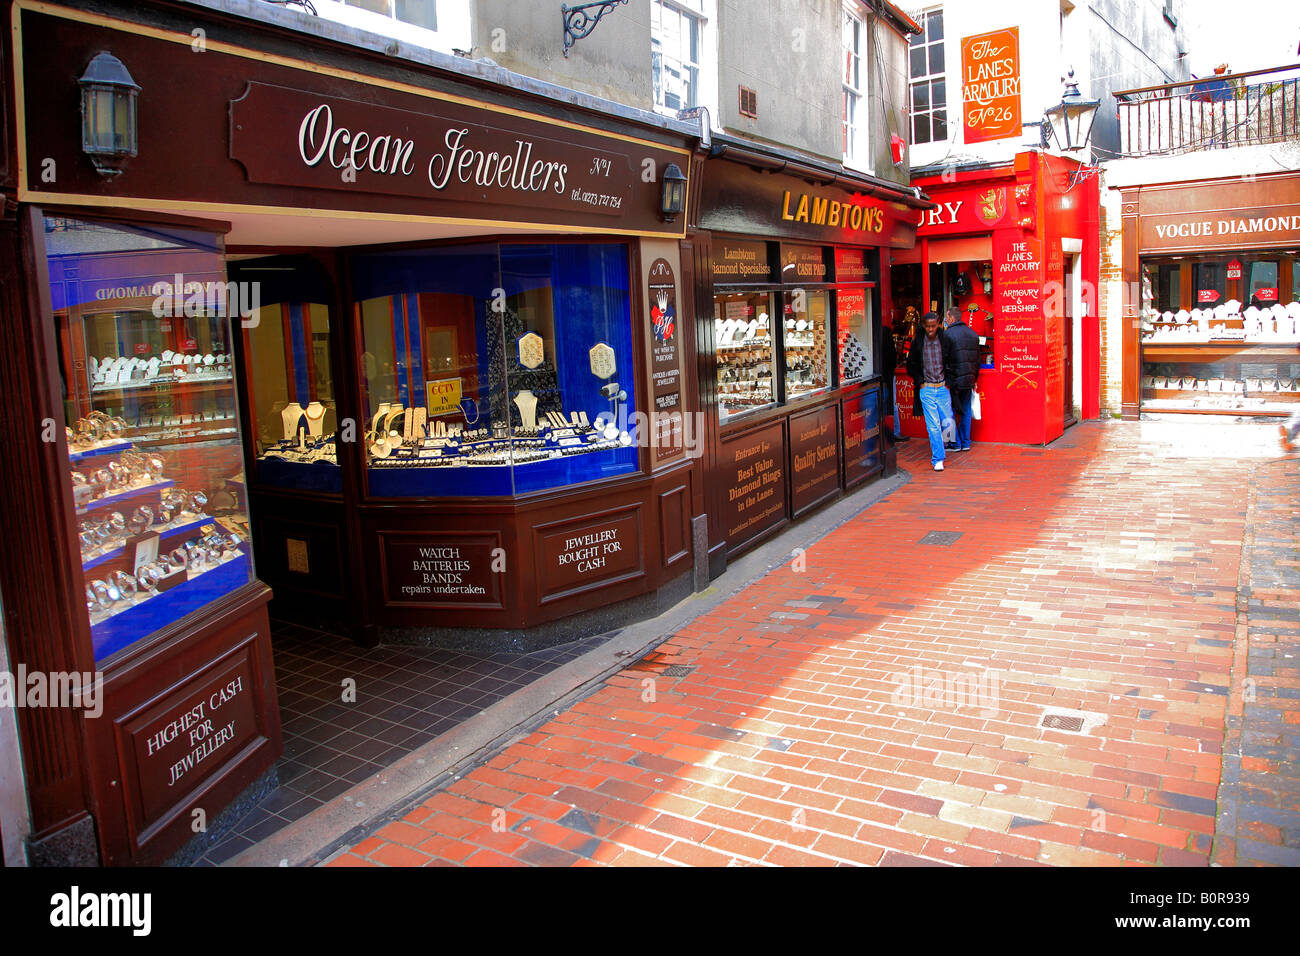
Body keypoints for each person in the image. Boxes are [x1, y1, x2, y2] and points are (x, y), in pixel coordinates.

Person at [905, 311, 956, 471]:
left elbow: (954, 361)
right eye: (928, 326)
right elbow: (911, 364)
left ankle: (945, 444)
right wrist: (920, 382)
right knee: (932, 425)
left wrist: (949, 382)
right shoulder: (918, 341)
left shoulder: (946, 340)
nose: (930, 329)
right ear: (923, 326)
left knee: (948, 420)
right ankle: (938, 459)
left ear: (938, 324)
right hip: (926, 387)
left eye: (933, 326)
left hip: (942, 386)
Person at [943, 305, 981, 452]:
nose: (946, 320)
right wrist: (975, 379)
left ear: (952, 318)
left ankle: (955, 443)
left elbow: (944, 359)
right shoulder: (972, 334)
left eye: (946, 318)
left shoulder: (947, 335)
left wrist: (946, 379)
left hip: (953, 380)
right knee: (965, 410)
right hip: (969, 379)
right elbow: (977, 360)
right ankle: (965, 442)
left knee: (949, 410)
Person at [880, 318, 908, 442]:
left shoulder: (875, 334)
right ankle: (895, 431)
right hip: (888, 376)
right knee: (892, 403)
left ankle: (888, 432)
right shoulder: (885, 334)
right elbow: (892, 358)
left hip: (880, 378)